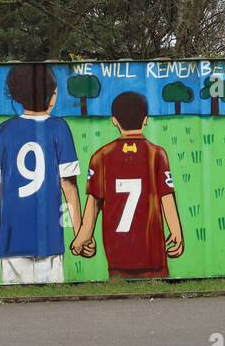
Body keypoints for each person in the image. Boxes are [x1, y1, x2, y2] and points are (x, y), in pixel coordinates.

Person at [0, 64, 83, 284]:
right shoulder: (60, 128)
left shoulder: (3, 131)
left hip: (13, 240)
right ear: (52, 94)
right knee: (52, 305)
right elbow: (68, 186)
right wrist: (80, 233)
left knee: (14, 305)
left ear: (16, 96)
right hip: (50, 239)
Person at [70, 91, 184, 277]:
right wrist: (176, 231)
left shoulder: (101, 156)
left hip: (117, 254)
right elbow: (166, 197)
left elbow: (93, 204)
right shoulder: (157, 154)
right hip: (152, 253)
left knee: (117, 298)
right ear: (146, 120)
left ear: (114, 120)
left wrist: (82, 239)